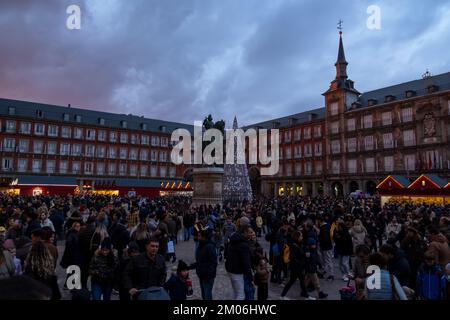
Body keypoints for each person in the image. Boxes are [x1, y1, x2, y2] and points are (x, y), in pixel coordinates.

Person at [225, 225, 254, 300]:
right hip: (237, 271)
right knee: (240, 295)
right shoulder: (243, 244)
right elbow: (246, 263)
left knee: (236, 292)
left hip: (230, 269)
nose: (252, 234)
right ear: (245, 232)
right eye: (250, 232)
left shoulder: (235, 239)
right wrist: (251, 279)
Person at [280, 231, 310, 299]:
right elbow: (294, 257)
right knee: (292, 282)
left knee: (301, 281)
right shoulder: (294, 245)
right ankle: (282, 295)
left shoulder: (300, 244)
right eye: (301, 236)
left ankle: (306, 295)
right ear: (297, 237)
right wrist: (303, 257)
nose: (302, 237)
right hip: (296, 267)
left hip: (298, 266)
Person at [190, 228, 217, 300]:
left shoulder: (210, 246)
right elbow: (199, 261)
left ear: (204, 237)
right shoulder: (200, 245)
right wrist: (189, 267)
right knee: (204, 294)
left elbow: (214, 262)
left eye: (199, 236)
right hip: (201, 274)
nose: (198, 237)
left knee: (207, 295)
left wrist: (208, 272)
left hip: (207, 276)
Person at [317, 216, 334, 281]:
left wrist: (320, 240)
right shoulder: (326, 226)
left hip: (326, 246)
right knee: (326, 260)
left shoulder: (324, 228)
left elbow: (325, 238)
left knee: (328, 260)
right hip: (327, 246)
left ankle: (331, 274)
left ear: (320, 220)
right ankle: (326, 271)